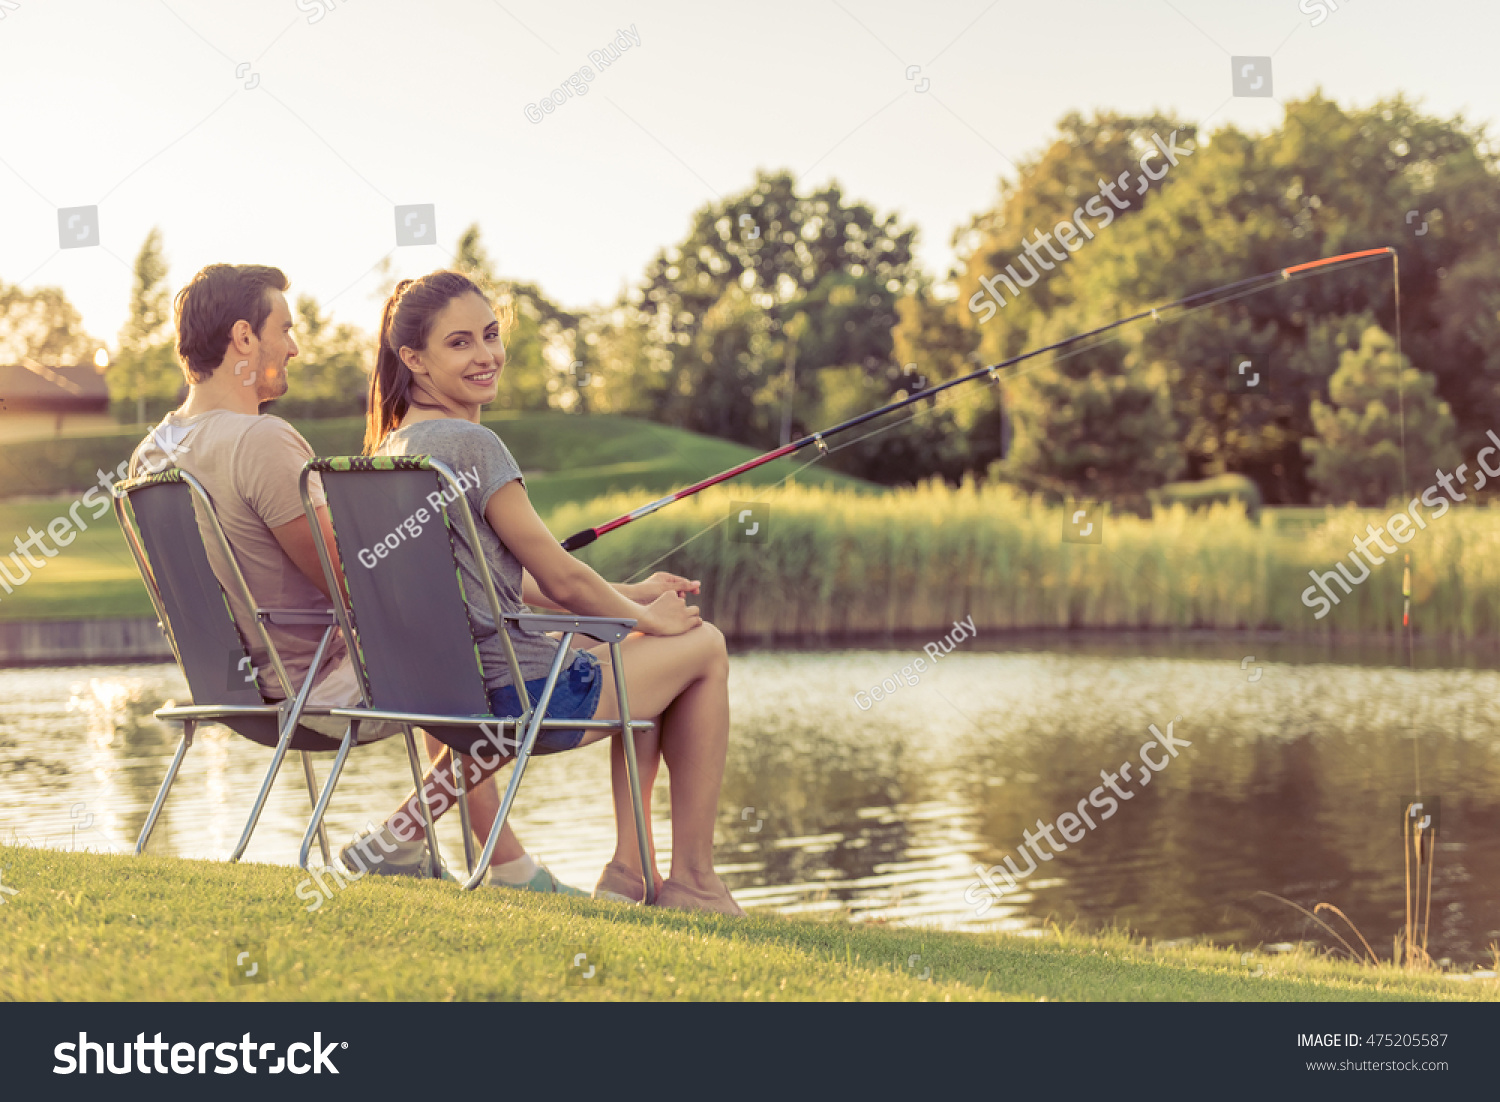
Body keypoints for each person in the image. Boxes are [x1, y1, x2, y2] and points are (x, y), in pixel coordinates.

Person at [128, 262, 576, 893]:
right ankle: (447, 851)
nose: (295, 345)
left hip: (234, 686)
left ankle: (496, 861)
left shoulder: (151, 452)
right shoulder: (260, 441)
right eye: (284, 328)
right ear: (243, 339)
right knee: (498, 653)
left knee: (459, 637)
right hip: (320, 689)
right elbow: (367, 585)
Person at [340, 270, 742, 916]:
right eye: (461, 343)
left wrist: (634, 596)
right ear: (412, 358)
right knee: (705, 645)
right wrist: (653, 619)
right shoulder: (472, 446)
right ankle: (691, 880)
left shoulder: (390, 453)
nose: (486, 356)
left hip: (445, 696)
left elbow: (504, 581)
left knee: (642, 646)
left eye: (492, 336)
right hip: (523, 697)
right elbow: (560, 577)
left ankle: (630, 872)